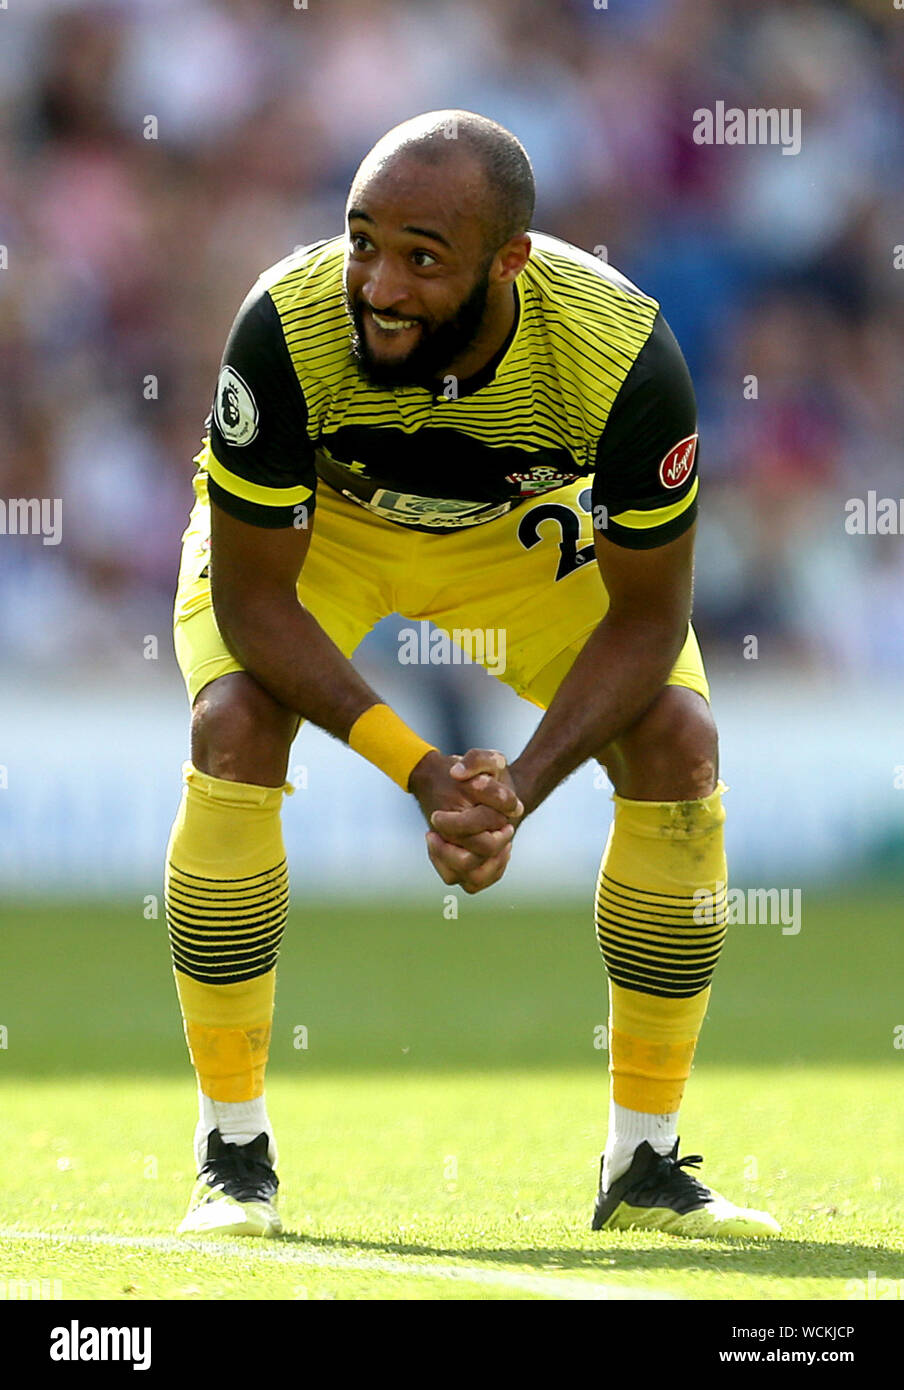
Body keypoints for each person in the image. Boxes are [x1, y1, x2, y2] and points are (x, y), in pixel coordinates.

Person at [166, 109, 779, 1240]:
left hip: (515, 542)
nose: (378, 285)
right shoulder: (284, 324)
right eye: (362, 241)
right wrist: (420, 769)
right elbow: (256, 604)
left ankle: (644, 1164)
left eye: (421, 258)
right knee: (234, 721)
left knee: (678, 743)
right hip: (327, 532)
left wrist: (517, 792)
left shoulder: (622, 354)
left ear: (509, 262)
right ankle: (232, 1151)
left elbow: (649, 620)